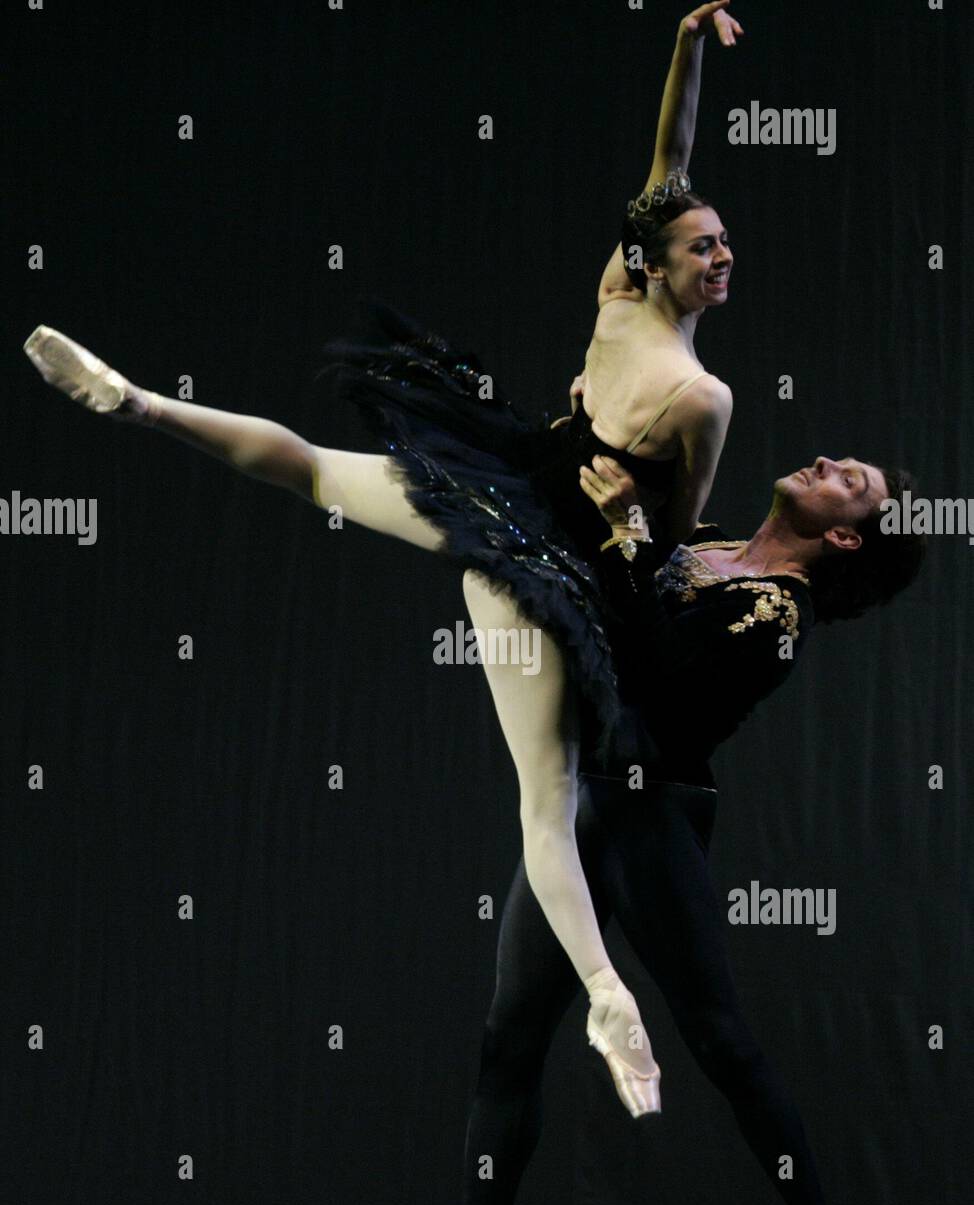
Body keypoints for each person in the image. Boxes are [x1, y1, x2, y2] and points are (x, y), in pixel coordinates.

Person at [21, 0, 745, 1122]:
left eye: (724, 243)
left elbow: (669, 170)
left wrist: (688, 44)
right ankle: (607, 998)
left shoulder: (624, 304)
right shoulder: (699, 393)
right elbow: (672, 528)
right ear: (651, 263)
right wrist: (687, 48)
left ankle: (141, 406)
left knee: (315, 470)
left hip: (504, 498)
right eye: (704, 246)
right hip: (545, 545)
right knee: (542, 804)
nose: (723, 255)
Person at [452, 446, 927, 1205]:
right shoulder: (700, 540)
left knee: (716, 1037)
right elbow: (612, 477)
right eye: (841, 462)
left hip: (648, 815)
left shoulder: (780, 613)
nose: (827, 462)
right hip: (577, 801)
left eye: (851, 483)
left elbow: (655, 671)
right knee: (510, 1038)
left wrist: (628, 532)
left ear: (847, 540)